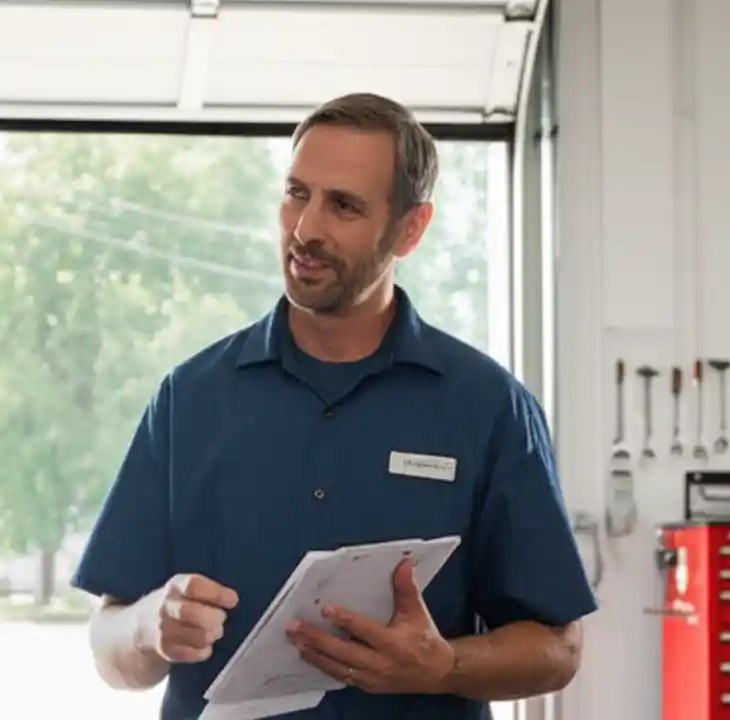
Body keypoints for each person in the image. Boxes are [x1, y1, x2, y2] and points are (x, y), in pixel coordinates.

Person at [71, 92, 597, 719]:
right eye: (297, 193)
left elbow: (558, 648)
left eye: (342, 205)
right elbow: (109, 647)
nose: (305, 229)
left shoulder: (490, 409)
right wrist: (149, 626)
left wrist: (444, 667)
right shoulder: (189, 399)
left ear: (410, 228)